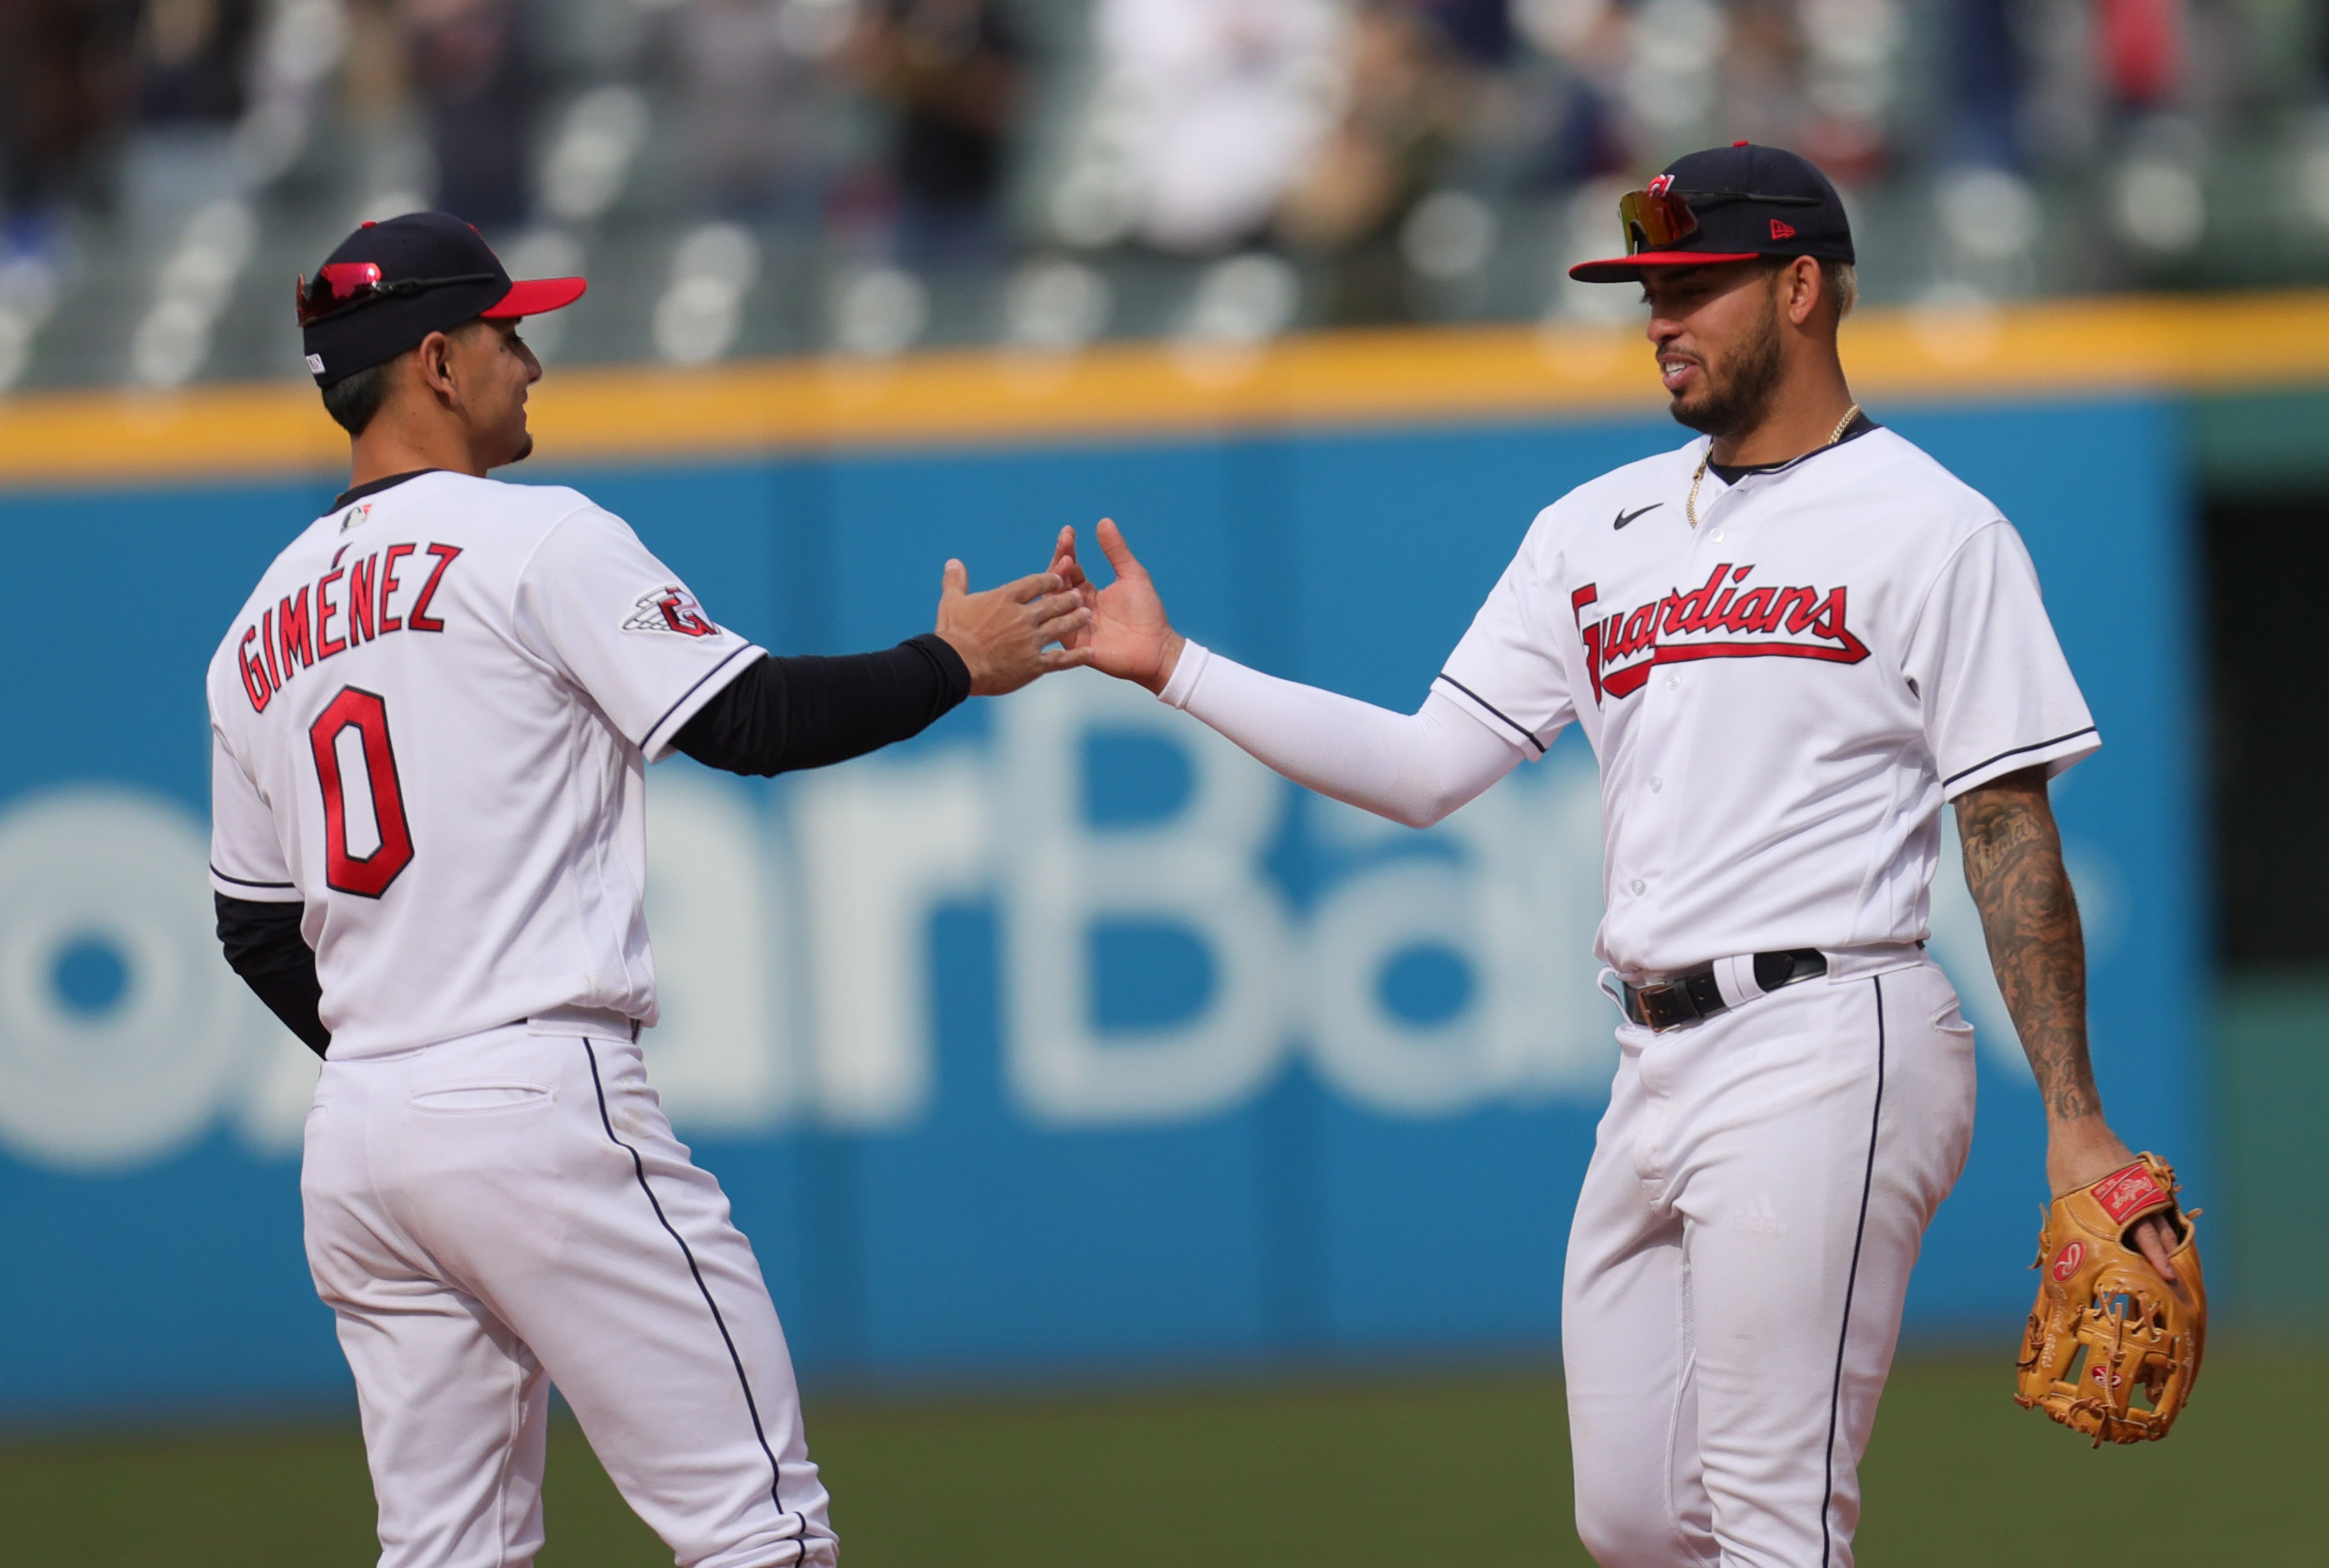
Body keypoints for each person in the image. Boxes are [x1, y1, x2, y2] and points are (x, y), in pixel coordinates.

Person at [1049, 143, 2183, 1567]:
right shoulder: (1593, 529)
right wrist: (1174, 668)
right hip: (1650, 1057)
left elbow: (2006, 824)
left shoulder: (1935, 528)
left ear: (1800, 287)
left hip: (1833, 1036)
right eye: (1649, 288)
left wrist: (2071, 1113)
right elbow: (1422, 768)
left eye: (1696, 286)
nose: (1661, 317)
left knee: (1776, 1520)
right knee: (1639, 1521)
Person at [206, 211, 1087, 1568]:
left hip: (364, 1135)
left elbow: (255, 925)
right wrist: (949, 663)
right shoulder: (531, 538)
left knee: (444, 1557)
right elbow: (749, 722)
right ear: (436, 360)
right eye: (511, 333)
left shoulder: (257, 624)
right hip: (530, 1099)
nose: (533, 363)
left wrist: (404, 1048)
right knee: (758, 1534)